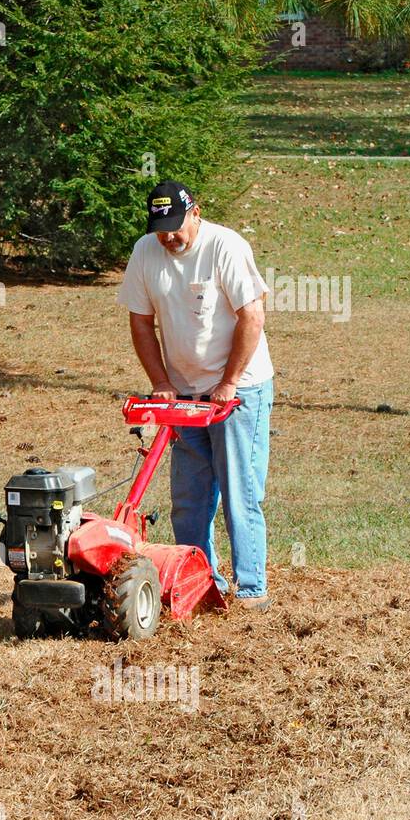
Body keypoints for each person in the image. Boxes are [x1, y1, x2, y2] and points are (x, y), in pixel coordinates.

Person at [115, 180, 274, 611]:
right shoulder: (145, 252)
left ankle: (252, 590)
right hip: (184, 394)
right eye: (159, 227)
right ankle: (200, 585)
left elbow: (252, 316)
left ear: (195, 213)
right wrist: (161, 382)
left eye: (175, 226)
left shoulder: (226, 247)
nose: (168, 236)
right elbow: (141, 322)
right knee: (188, 500)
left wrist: (228, 382)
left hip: (239, 390)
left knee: (239, 492)